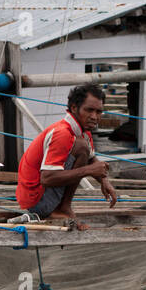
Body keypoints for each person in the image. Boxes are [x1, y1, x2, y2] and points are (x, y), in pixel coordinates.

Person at [14, 85, 118, 225]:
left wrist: (105, 181)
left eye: (99, 112)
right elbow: (47, 178)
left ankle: (63, 207)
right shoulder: (62, 133)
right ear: (74, 108)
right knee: (81, 147)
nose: (94, 117)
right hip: (37, 203)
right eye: (89, 110)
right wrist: (88, 171)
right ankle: (63, 208)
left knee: (83, 148)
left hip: (42, 196)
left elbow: (92, 159)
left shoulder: (83, 130)